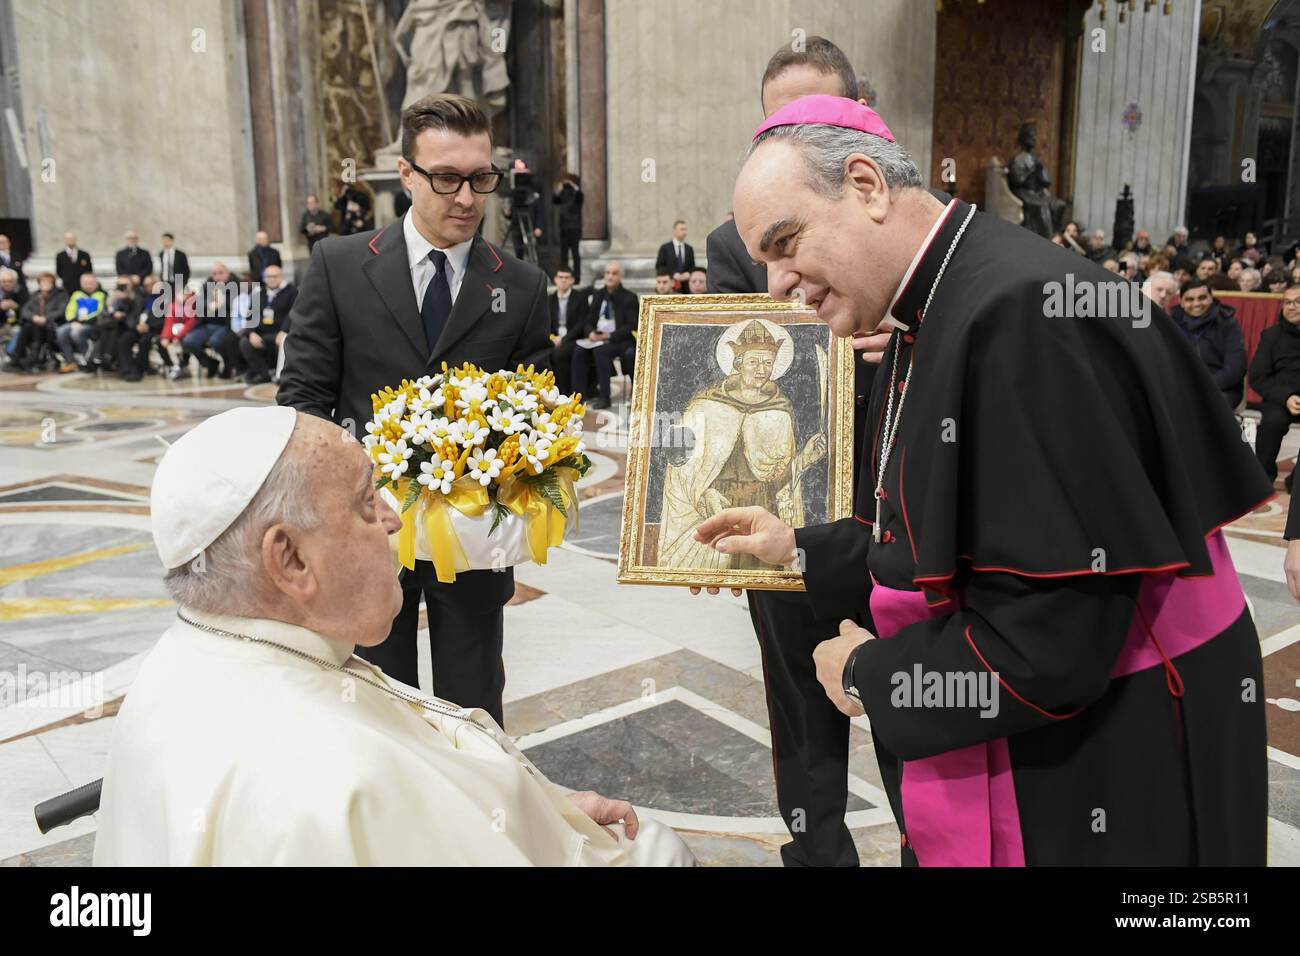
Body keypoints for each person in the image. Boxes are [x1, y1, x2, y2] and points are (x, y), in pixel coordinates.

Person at [694, 94, 1270, 866]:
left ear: (865, 184)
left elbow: (1050, 647)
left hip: (1108, 759)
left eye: (786, 242)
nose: (775, 284)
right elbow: (947, 541)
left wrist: (868, 675)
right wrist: (791, 547)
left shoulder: (1022, 316)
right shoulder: (923, 308)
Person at [94, 405, 694, 866]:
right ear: (291, 560)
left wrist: (545, 813)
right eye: (363, 501)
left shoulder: (189, 655)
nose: (391, 517)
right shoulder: (343, 777)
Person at [277, 93, 551, 727]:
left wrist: (512, 498)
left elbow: (541, 413)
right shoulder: (339, 266)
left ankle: (476, 817)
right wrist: (334, 503)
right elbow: (304, 401)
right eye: (447, 178)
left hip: (474, 541)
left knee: (473, 701)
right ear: (406, 175)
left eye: (482, 179)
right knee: (376, 700)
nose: (466, 198)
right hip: (363, 529)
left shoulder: (521, 285)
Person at [1248, 283, 1300, 489]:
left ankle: (1296, 481)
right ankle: (1262, 478)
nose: (1292, 307)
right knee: (1272, 422)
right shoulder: (1271, 335)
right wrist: (1287, 397)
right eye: (1287, 302)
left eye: (1297, 302)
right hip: (1279, 398)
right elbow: (1258, 377)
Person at [569, 260, 637, 410]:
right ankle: (578, 396)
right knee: (579, 350)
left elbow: (631, 325)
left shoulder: (630, 297)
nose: (610, 277)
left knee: (601, 352)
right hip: (597, 337)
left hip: (619, 340)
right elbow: (588, 320)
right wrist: (590, 332)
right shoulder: (598, 295)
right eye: (607, 273)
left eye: (614, 273)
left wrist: (608, 335)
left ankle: (605, 397)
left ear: (621, 277)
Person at [1171, 278, 1246, 408]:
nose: (1196, 304)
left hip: (1222, 388)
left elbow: (1235, 369)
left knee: (1209, 408)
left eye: (1202, 298)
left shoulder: (1228, 323)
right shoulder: (1171, 324)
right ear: (1181, 302)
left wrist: (1203, 386)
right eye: (1190, 300)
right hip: (1182, 386)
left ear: (1211, 298)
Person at [238, 264, 296, 384]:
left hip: (281, 332)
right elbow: (250, 316)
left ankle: (282, 375)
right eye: (269, 276)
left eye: (275, 276)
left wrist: (284, 330)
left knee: (285, 342)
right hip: (262, 333)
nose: (272, 279)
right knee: (245, 342)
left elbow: (294, 313)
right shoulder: (259, 294)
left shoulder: (292, 292)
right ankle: (264, 375)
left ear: (281, 277)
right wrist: (252, 332)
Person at [12, 273, 65, 371]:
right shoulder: (35, 295)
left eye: (48, 282)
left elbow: (60, 311)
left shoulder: (60, 295)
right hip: (34, 324)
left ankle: (33, 358)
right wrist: (34, 317)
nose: (45, 284)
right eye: (42, 282)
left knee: (36, 328)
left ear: (53, 283)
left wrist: (45, 318)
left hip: (51, 325)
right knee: (28, 326)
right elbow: (25, 310)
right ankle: (18, 357)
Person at [547, 265, 585, 394]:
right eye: (560, 277)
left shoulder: (580, 298)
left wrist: (563, 339)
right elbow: (546, 322)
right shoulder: (550, 299)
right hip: (554, 337)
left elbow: (581, 324)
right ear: (555, 280)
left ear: (572, 280)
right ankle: (548, 390)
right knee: (542, 353)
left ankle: (564, 393)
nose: (563, 280)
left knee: (558, 355)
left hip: (573, 338)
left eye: (567, 277)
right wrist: (553, 338)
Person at [58, 271, 106, 371]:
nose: (88, 286)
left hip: (93, 324)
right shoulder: (77, 294)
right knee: (61, 331)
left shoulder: (102, 294)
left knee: (76, 333)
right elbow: (70, 310)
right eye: (85, 283)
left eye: (91, 283)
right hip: (76, 322)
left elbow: (99, 312)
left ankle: (88, 359)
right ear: (81, 283)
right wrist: (74, 320)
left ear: (96, 283)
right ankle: (70, 361)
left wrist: (82, 321)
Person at [553, 173, 583, 279]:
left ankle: (577, 277)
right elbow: (555, 200)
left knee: (575, 253)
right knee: (563, 254)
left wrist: (573, 185)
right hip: (564, 228)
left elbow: (580, 197)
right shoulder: (563, 194)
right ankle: (564, 275)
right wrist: (559, 189)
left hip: (574, 228)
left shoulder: (576, 194)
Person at [655, 220, 695, 292]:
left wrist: (688, 273)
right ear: (675, 231)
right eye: (682, 229)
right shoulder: (665, 248)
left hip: (686, 287)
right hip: (670, 287)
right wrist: (673, 274)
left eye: (685, 229)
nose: (684, 232)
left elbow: (692, 266)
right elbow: (659, 266)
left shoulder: (689, 249)